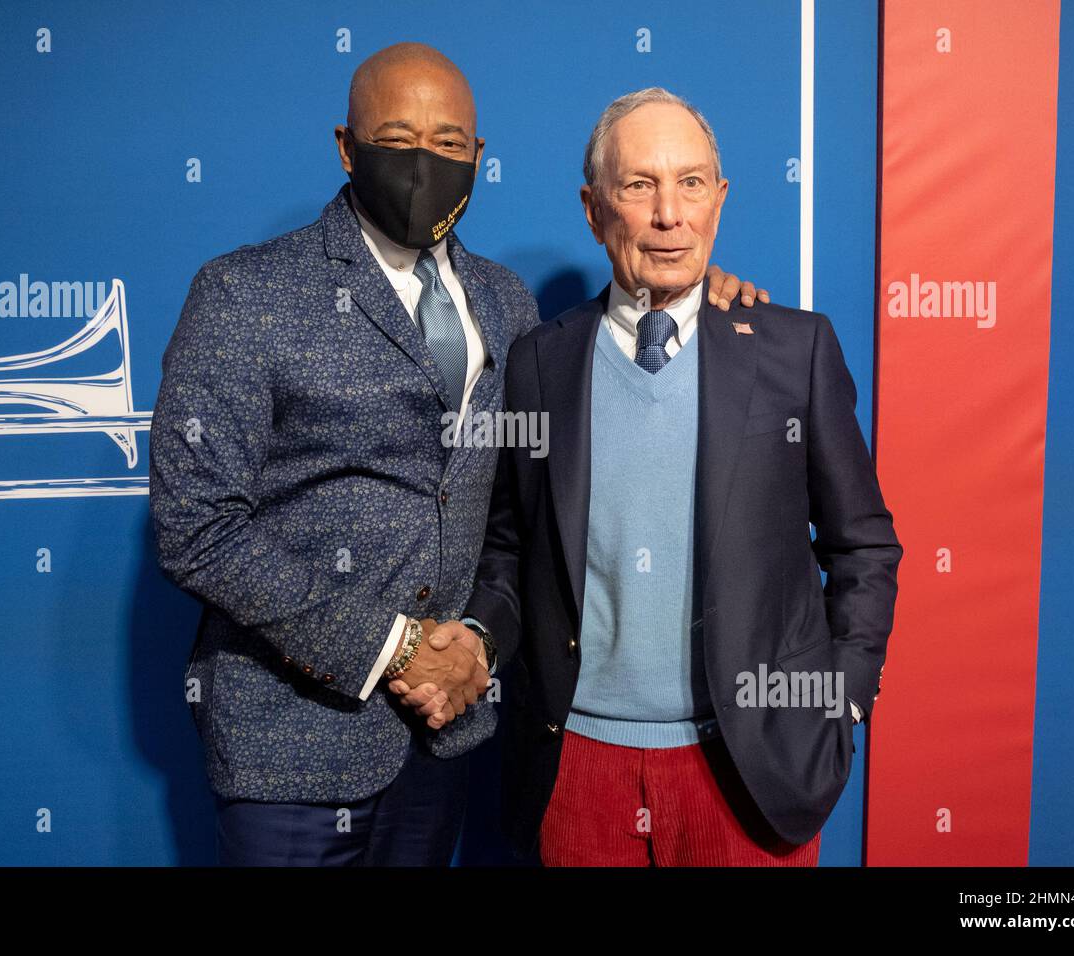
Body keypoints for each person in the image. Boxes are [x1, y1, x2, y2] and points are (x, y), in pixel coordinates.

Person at [150, 46, 766, 866]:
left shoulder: (505, 302)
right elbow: (197, 526)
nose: (423, 164)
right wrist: (392, 648)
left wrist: (692, 291)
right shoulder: (245, 293)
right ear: (347, 147)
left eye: (449, 146)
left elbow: (511, 509)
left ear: (478, 159)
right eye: (397, 139)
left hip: (441, 740)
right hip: (289, 748)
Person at [405, 87, 902, 866]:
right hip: (578, 771)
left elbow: (864, 547)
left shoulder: (792, 350)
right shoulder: (542, 362)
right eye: (639, 185)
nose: (670, 213)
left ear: (720, 198)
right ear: (594, 208)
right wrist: (474, 637)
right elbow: (510, 548)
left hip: (750, 770)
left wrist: (842, 696)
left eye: (692, 182)